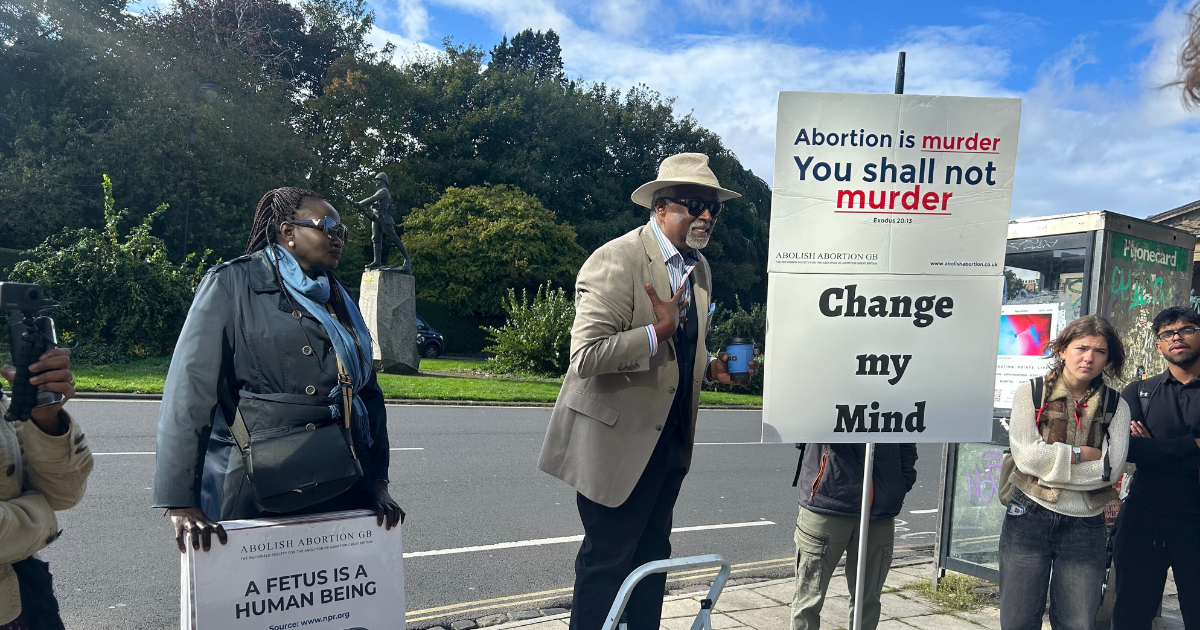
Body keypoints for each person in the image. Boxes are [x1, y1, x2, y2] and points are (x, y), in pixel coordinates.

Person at [537, 153, 756, 630]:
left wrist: (712, 370)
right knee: (608, 563)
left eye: (713, 208)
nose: (706, 216)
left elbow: (682, 356)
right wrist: (657, 331)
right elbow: (586, 357)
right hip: (618, 446)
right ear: (660, 206)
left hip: (669, 444)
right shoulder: (617, 258)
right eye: (693, 204)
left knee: (653, 558)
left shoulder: (699, 270)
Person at [153, 187, 403, 554]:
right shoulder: (232, 283)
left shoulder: (339, 296)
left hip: (345, 474)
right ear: (288, 232)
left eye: (343, 231)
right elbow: (189, 393)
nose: (338, 238)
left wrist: (379, 480)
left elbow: (367, 391)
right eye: (328, 226)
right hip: (262, 478)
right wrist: (180, 501)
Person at [999, 315, 1130, 630]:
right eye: (1081, 347)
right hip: (1029, 510)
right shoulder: (1030, 394)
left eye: (1099, 351)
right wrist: (1079, 454)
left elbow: (1110, 471)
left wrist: (1051, 467)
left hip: (1086, 524)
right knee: (1017, 619)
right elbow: (1028, 457)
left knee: (1077, 622)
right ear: (1062, 349)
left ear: (1108, 358)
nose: (1088, 358)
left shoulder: (1117, 406)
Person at [1113, 306, 1200, 628]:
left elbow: (1145, 450)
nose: (1177, 337)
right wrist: (1193, 445)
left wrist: (1155, 446)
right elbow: (1128, 449)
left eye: (1187, 329)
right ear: (1158, 346)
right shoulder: (1139, 392)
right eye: (1167, 333)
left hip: (1196, 518)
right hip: (1143, 516)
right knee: (1131, 613)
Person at [0, 347, 93, 629]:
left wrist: (45, 419)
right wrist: (42, 518)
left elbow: (63, 493)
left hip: (23, 592)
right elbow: (52, 505)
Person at [790, 443, 917, 630]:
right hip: (827, 500)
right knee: (808, 600)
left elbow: (906, 436)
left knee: (868, 602)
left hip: (879, 506)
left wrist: (902, 480)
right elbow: (801, 428)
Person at [355, 172, 412, 273]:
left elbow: (372, 199)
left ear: (383, 181)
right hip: (376, 217)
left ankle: (407, 260)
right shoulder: (381, 191)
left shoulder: (384, 191)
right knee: (375, 238)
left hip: (384, 217)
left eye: (378, 180)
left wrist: (360, 203)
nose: (376, 182)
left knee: (393, 238)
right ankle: (377, 261)